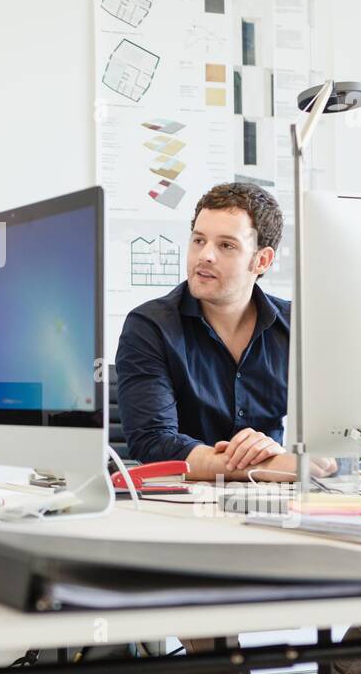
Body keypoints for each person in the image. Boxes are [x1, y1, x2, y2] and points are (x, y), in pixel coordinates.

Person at [115, 182, 336, 481]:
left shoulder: (299, 327)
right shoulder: (150, 326)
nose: (205, 255)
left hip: (275, 502)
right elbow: (153, 443)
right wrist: (266, 466)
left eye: (226, 245)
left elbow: (338, 439)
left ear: (261, 260)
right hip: (182, 506)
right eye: (199, 240)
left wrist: (317, 459)